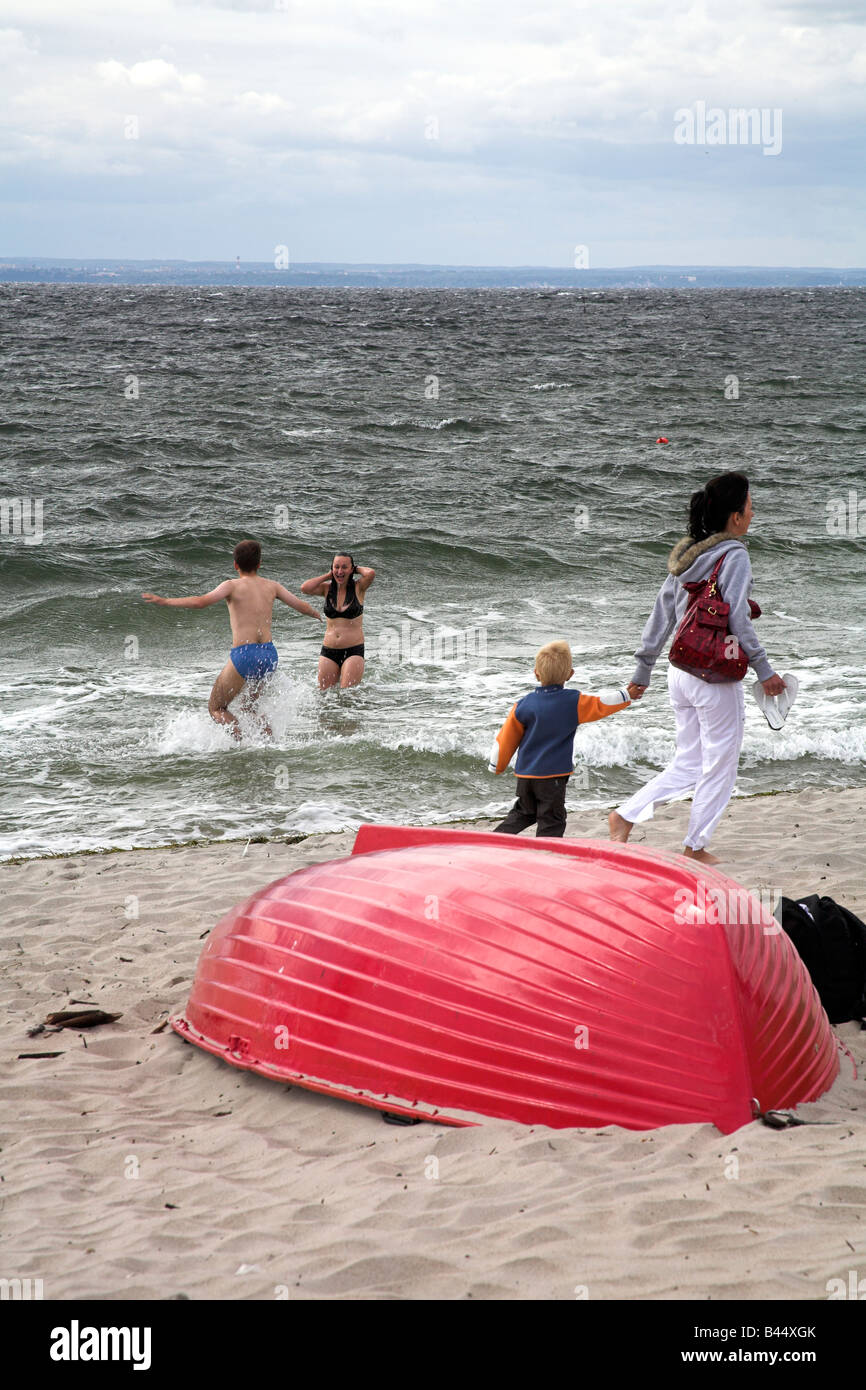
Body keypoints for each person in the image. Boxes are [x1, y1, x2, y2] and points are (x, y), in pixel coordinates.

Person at [609, 473, 787, 864]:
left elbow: (661, 615)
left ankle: (624, 817)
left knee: (689, 761)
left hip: (680, 672)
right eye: (751, 506)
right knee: (720, 764)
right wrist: (764, 669)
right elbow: (737, 619)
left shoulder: (688, 555)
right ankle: (695, 846)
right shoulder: (734, 555)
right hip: (713, 675)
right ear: (736, 517)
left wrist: (642, 670)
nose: (754, 512)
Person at [142, 539, 323, 738]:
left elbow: (201, 602)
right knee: (249, 708)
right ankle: (269, 743)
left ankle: (242, 744)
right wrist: (316, 614)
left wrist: (166, 601)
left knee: (217, 708)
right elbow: (301, 606)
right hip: (269, 654)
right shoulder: (272, 586)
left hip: (244, 654)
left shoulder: (231, 586)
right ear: (259, 564)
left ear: (235, 564)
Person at [490, 639, 643, 838]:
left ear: (536, 673)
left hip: (525, 776)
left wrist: (497, 765)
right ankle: (547, 854)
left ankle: (493, 840)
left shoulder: (523, 705)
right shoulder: (573, 702)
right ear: (570, 674)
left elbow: (506, 738)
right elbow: (601, 704)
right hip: (552, 778)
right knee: (552, 819)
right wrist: (626, 694)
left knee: (523, 813)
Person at [301, 552, 376, 690]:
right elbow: (305, 588)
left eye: (344, 567)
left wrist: (356, 568)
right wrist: (328, 575)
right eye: (336, 567)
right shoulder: (326, 589)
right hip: (329, 651)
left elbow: (370, 573)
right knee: (323, 695)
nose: (340, 571)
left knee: (347, 695)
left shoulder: (358, 588)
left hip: (353, 651)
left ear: (351, 569)